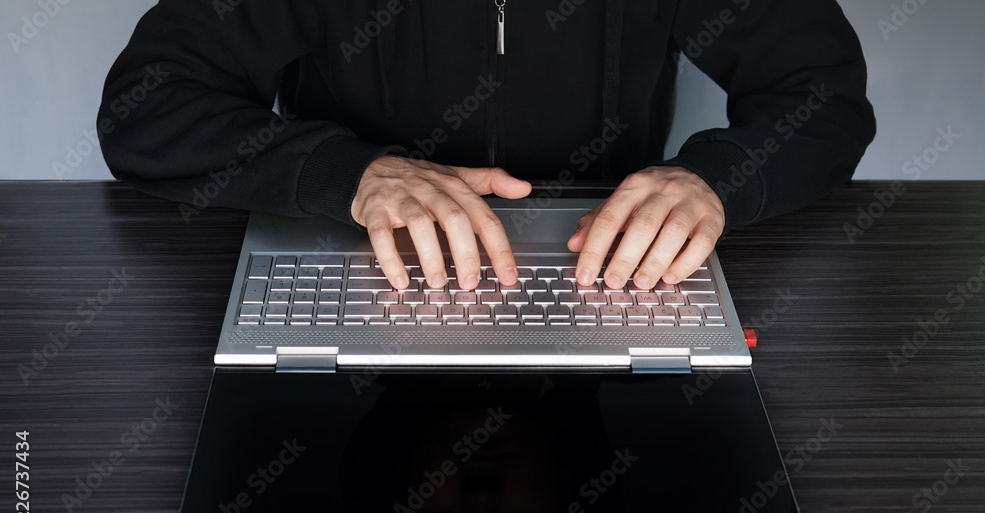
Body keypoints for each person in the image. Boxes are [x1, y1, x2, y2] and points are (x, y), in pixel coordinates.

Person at [99, 0, 875, 293]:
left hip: (609, 279)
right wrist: (352, 172)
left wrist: (716, 180)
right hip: (358, 261)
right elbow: (146, 105)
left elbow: (824, 95)